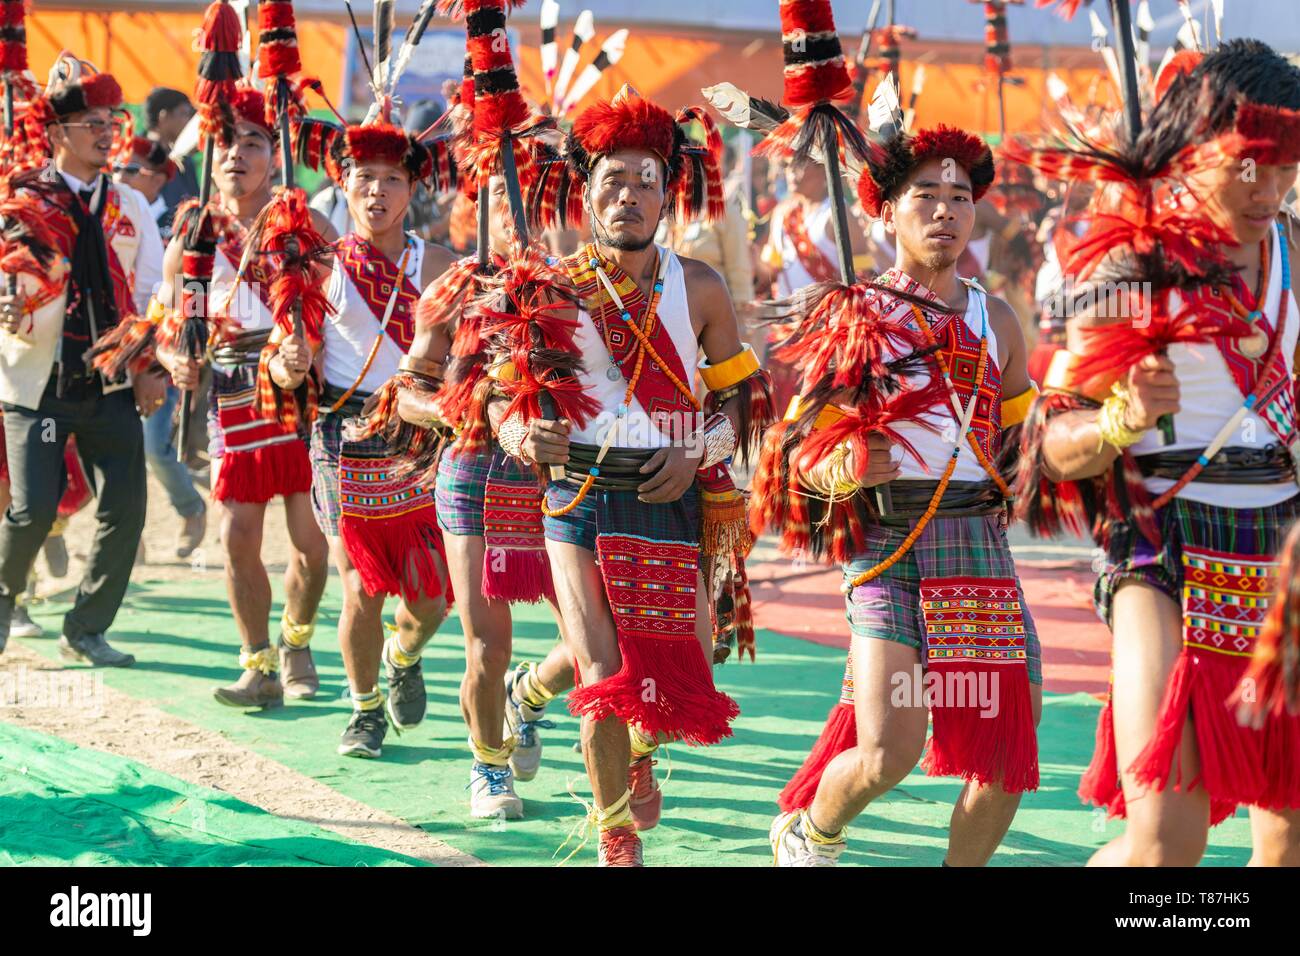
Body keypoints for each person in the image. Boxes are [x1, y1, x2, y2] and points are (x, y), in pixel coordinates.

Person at [1016, 40, 1300, 865]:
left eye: (1286, 166)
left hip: (1281, 546)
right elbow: (1051, 452)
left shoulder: (1297, 255)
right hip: (1159, 545)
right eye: (1251, 163)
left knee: (1286, 844)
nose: (1269, 189)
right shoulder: (1127, 264)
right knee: (1164, 838)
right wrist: (1119, 419)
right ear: (1194, 148)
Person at [489, 85, 774, 865]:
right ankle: (615, 833)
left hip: (670, 495)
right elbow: (490, 403)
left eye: (645, 179)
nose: (628, 195)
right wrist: (522, 431)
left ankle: (545, 702)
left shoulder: (702, 288)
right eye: (612, 178)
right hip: (577, 496)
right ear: (586, 191)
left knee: (676, 661)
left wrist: (694, 455)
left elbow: (739, 414)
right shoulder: (545, 289)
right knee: (604, 668)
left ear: (668, 194)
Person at [758, 123, 1042, 867]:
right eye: (926, 195)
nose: (946, 211)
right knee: (891, 752)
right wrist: (846, 462)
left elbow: (1022, 440)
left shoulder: (997, 318)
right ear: (884, 211)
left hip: (980, 547)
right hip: (890, 544)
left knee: (1005, 756)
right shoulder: (851, 316)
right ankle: (812, 831)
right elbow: (793, 452)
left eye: (960, 196)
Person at [274, 112, 458, 757]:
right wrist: (285, 362)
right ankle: (364, 709)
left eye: (392, 178)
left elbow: (472, 349)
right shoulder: (314, 269)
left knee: (432, 595)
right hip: (342, 435)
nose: (377, 191)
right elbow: (278, 356)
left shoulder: (440, 265)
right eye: (363, 178)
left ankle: (404, 655)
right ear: (342, 185)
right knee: (360, 586)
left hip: (423, 436)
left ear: (413, 190)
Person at [157, 86, 331, 708]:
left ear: (275, 153)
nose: (236, 154)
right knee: (237, 537)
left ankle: (297, 639)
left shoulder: (303, 224)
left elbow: (346, 301)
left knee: (311, 541)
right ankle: (257, 665)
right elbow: (175, 317)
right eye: (226, 142)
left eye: (252, 141)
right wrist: (176, 355)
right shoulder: (194, 233)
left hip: (301, 390)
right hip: (231, 394)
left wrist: (309, 345)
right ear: (211, 150)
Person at [0, 55, 166, 664]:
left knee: (126, 507)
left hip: (111, 384)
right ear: (57, 133)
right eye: (91, 121)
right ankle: (3, 596)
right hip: (39, 384)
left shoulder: (131, 206)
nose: (105, 131)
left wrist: (148, 366)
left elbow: (151, 295)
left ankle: (86, 626)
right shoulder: (22, 203)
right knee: (31, 509)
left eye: (110, 119)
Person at [113, 136, 207, 558]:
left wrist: (170, 347)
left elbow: (178, 292)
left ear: (152, 177)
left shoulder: (178, 219)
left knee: (155, 446)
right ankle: (124, 535)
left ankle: (190, 508)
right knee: (113, 447)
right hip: (112, 345)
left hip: (160, 347)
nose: (119, 175)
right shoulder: (107, 209)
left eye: (129, 170)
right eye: (118, 167)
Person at [145, 87, 200, 231]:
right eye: (184, 114)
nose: (188, 122)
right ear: (163, 116)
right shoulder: (136, 155)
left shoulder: (184, 159)